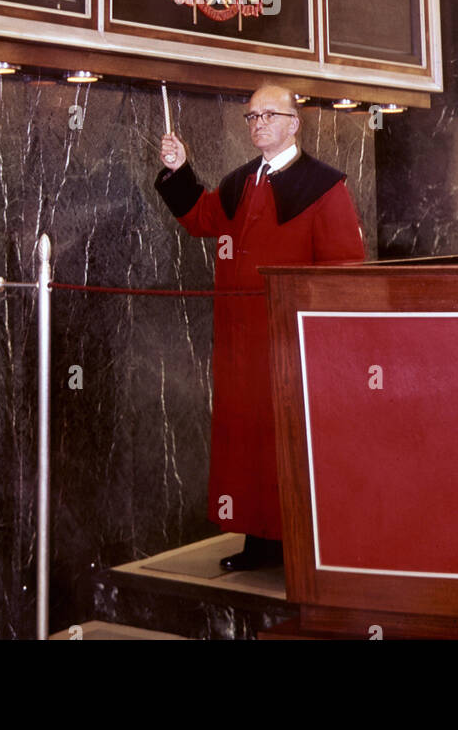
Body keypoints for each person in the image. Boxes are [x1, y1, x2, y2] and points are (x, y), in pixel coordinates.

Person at [155, 82, 365, 570]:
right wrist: (178, 170)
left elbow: (344, 271)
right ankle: (261, 537)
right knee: (248, 438)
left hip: (291, 344)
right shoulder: (239, 182)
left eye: (269, 115)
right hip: (241, 344)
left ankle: (298, 540)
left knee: (289, 438)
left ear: (294, 123)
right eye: (252, 117)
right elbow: (201, 218)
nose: (259, 124)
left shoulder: (326, 187)